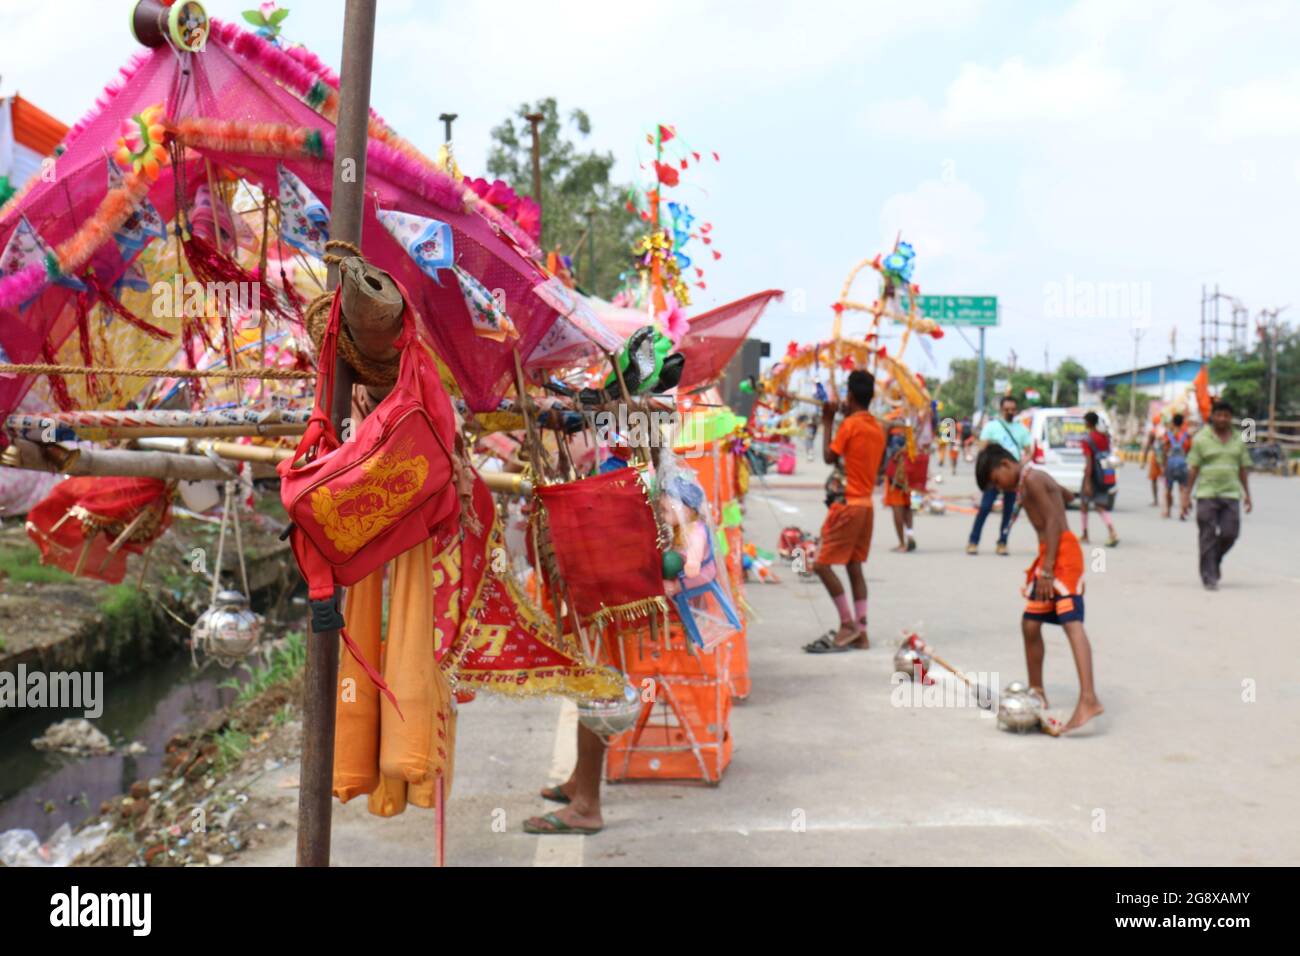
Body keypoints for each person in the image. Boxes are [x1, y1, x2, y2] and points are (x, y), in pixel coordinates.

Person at [976, 444, 1104, 735]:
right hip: (1050, 552)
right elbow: (1065, 496)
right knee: (1030, 623)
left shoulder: (1032, 479)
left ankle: (1089, 698)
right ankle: (1037, 690)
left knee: (1072, 623)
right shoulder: (1033, 477)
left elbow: (1054, 522)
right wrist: (1054, 493)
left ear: (1006, 464)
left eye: (997, 480)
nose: (998, 488)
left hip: (1061, 556)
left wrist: (1047, 570)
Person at [803, 370, 885, 653]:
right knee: (854, 567)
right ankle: (861, 632)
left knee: (821, 565)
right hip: (866, 506)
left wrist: (827, 421)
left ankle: (848, 623)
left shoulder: (850, 425)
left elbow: (829, 456)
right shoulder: (876, 427)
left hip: (847, 505)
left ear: (849, 396)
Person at [1187, 399, 1253, 590]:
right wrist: (1186, 496)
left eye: (1226, 415)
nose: (1222, 418)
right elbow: (1193, 468)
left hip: (1231, 494)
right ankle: (1209, 576)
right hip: (1207, 493)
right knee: (1207, 535)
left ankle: (1213, 559)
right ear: (1212, 416)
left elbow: (1243, 469)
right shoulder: (1201, 439)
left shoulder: (1239, 439)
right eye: (1219, 414)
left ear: (1231, 418)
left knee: (1230, 534)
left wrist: (1248, 495)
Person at [967, 395, 1030, 556]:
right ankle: (973, 541)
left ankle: (1002, 542)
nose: (1010, 412)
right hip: (994, 477)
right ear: (1001, 409)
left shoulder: (1021, 430)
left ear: (1016, 410)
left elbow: (1029, 451)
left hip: (1011, 478)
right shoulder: (992, 427)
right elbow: (982, 448)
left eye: (1012, 409)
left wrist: (1020, 465)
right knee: (985, 508)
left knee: (1009, 511)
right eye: (1006, 409)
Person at [1079, 411, 1119, 547]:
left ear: (1088, 423)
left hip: (1092, 475)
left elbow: (1089, 461)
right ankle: (1111, 531)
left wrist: (1087, 482)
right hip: (1104, 474)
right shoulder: (1105, 437)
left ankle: (1085, 534)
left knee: (1084, 504)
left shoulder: (1087, 439)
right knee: (1100, 506)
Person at [1162, 412, 1192, 520]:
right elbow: (1189, 450)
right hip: (1183, 463)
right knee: (1183, 489)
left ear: (1173, 422)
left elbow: (1164, 450)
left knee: (1168, 489)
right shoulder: (1186, 435)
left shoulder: (1168, 434)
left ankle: (1168, 511)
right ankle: (1182, 512)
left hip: (1170, 464)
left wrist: (1164, 465)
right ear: (1182, 423)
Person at [1140, 417, 1166, 506]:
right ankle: (1167, 499)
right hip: (1165, 457)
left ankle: (1156, 500)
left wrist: (1143, 461)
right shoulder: (1166, 431)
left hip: (1156, 458)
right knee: (1167, 479)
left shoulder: (1153, 432)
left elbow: (1147, 446)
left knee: (1154, 479)